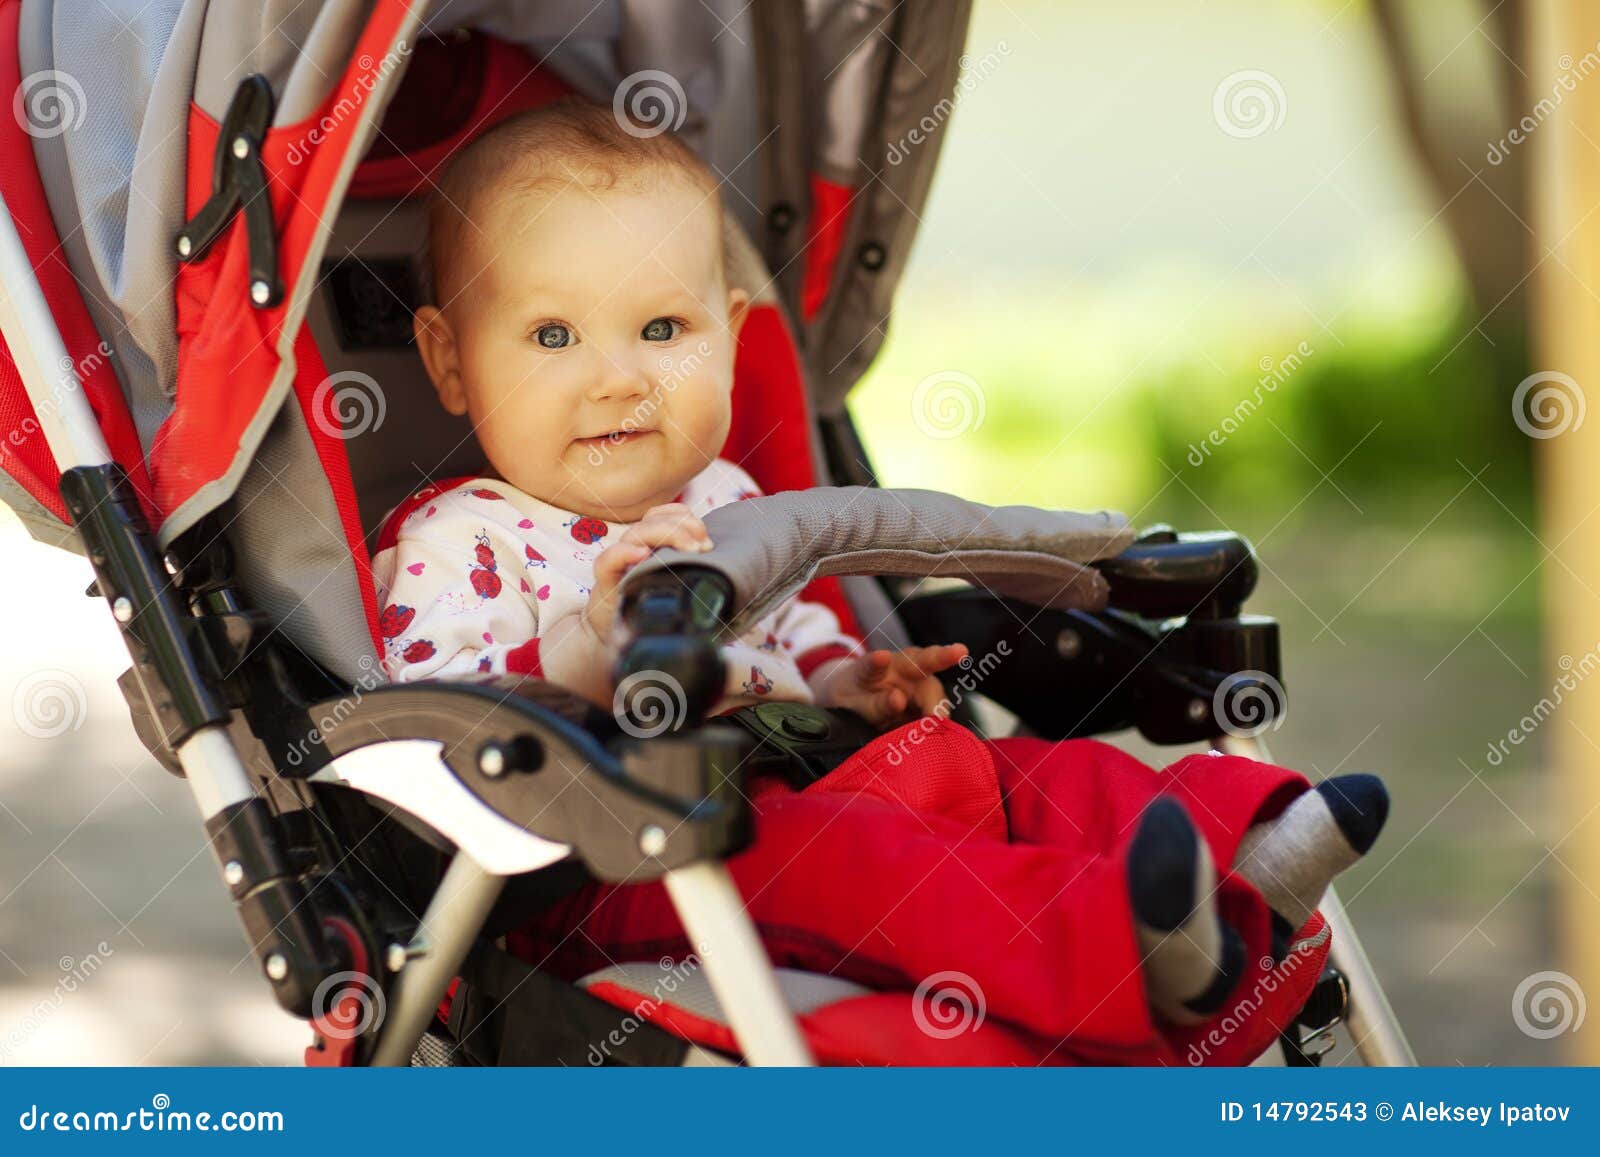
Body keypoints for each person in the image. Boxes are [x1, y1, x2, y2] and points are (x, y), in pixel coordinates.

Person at [371, 99, 1388, 1060]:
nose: (619, 377)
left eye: (663, 330)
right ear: (449, 360)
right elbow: (452, 735)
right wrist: (596, 644)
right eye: (553, 336)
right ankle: (1123, 946)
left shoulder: (732, 498)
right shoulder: (457, 540)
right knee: (868, 862)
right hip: (634, 857)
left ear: (731, 336)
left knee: (1020, 773)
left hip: (821, 777)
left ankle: (1242, 842)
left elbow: (796, 639)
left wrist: (848, 683)